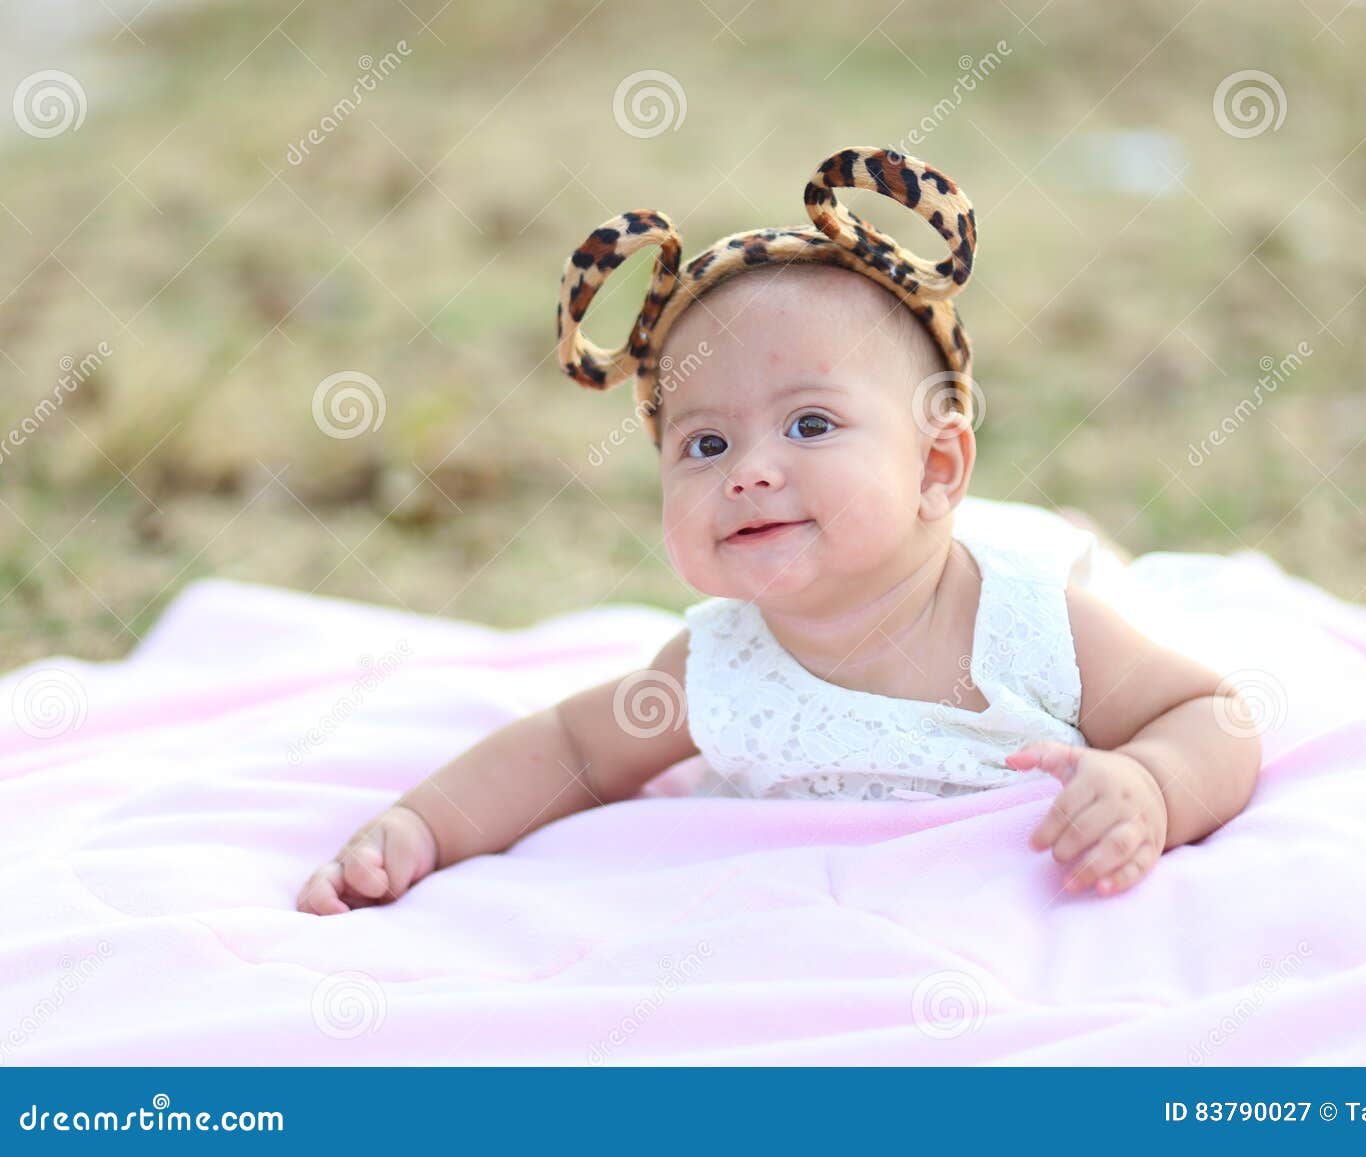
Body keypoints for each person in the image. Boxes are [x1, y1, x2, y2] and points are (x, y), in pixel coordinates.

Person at [296, 147, 1259, 916]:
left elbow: (1210, 714)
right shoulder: (717, 665)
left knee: (1119, 580)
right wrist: (420, 828)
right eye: (705, 443)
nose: (749, 471)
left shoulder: (1031, 623)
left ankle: (1085, 536)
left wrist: (1152, 785)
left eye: (808, 425)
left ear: (935, 467)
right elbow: (574, 751)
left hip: (1040, 567)